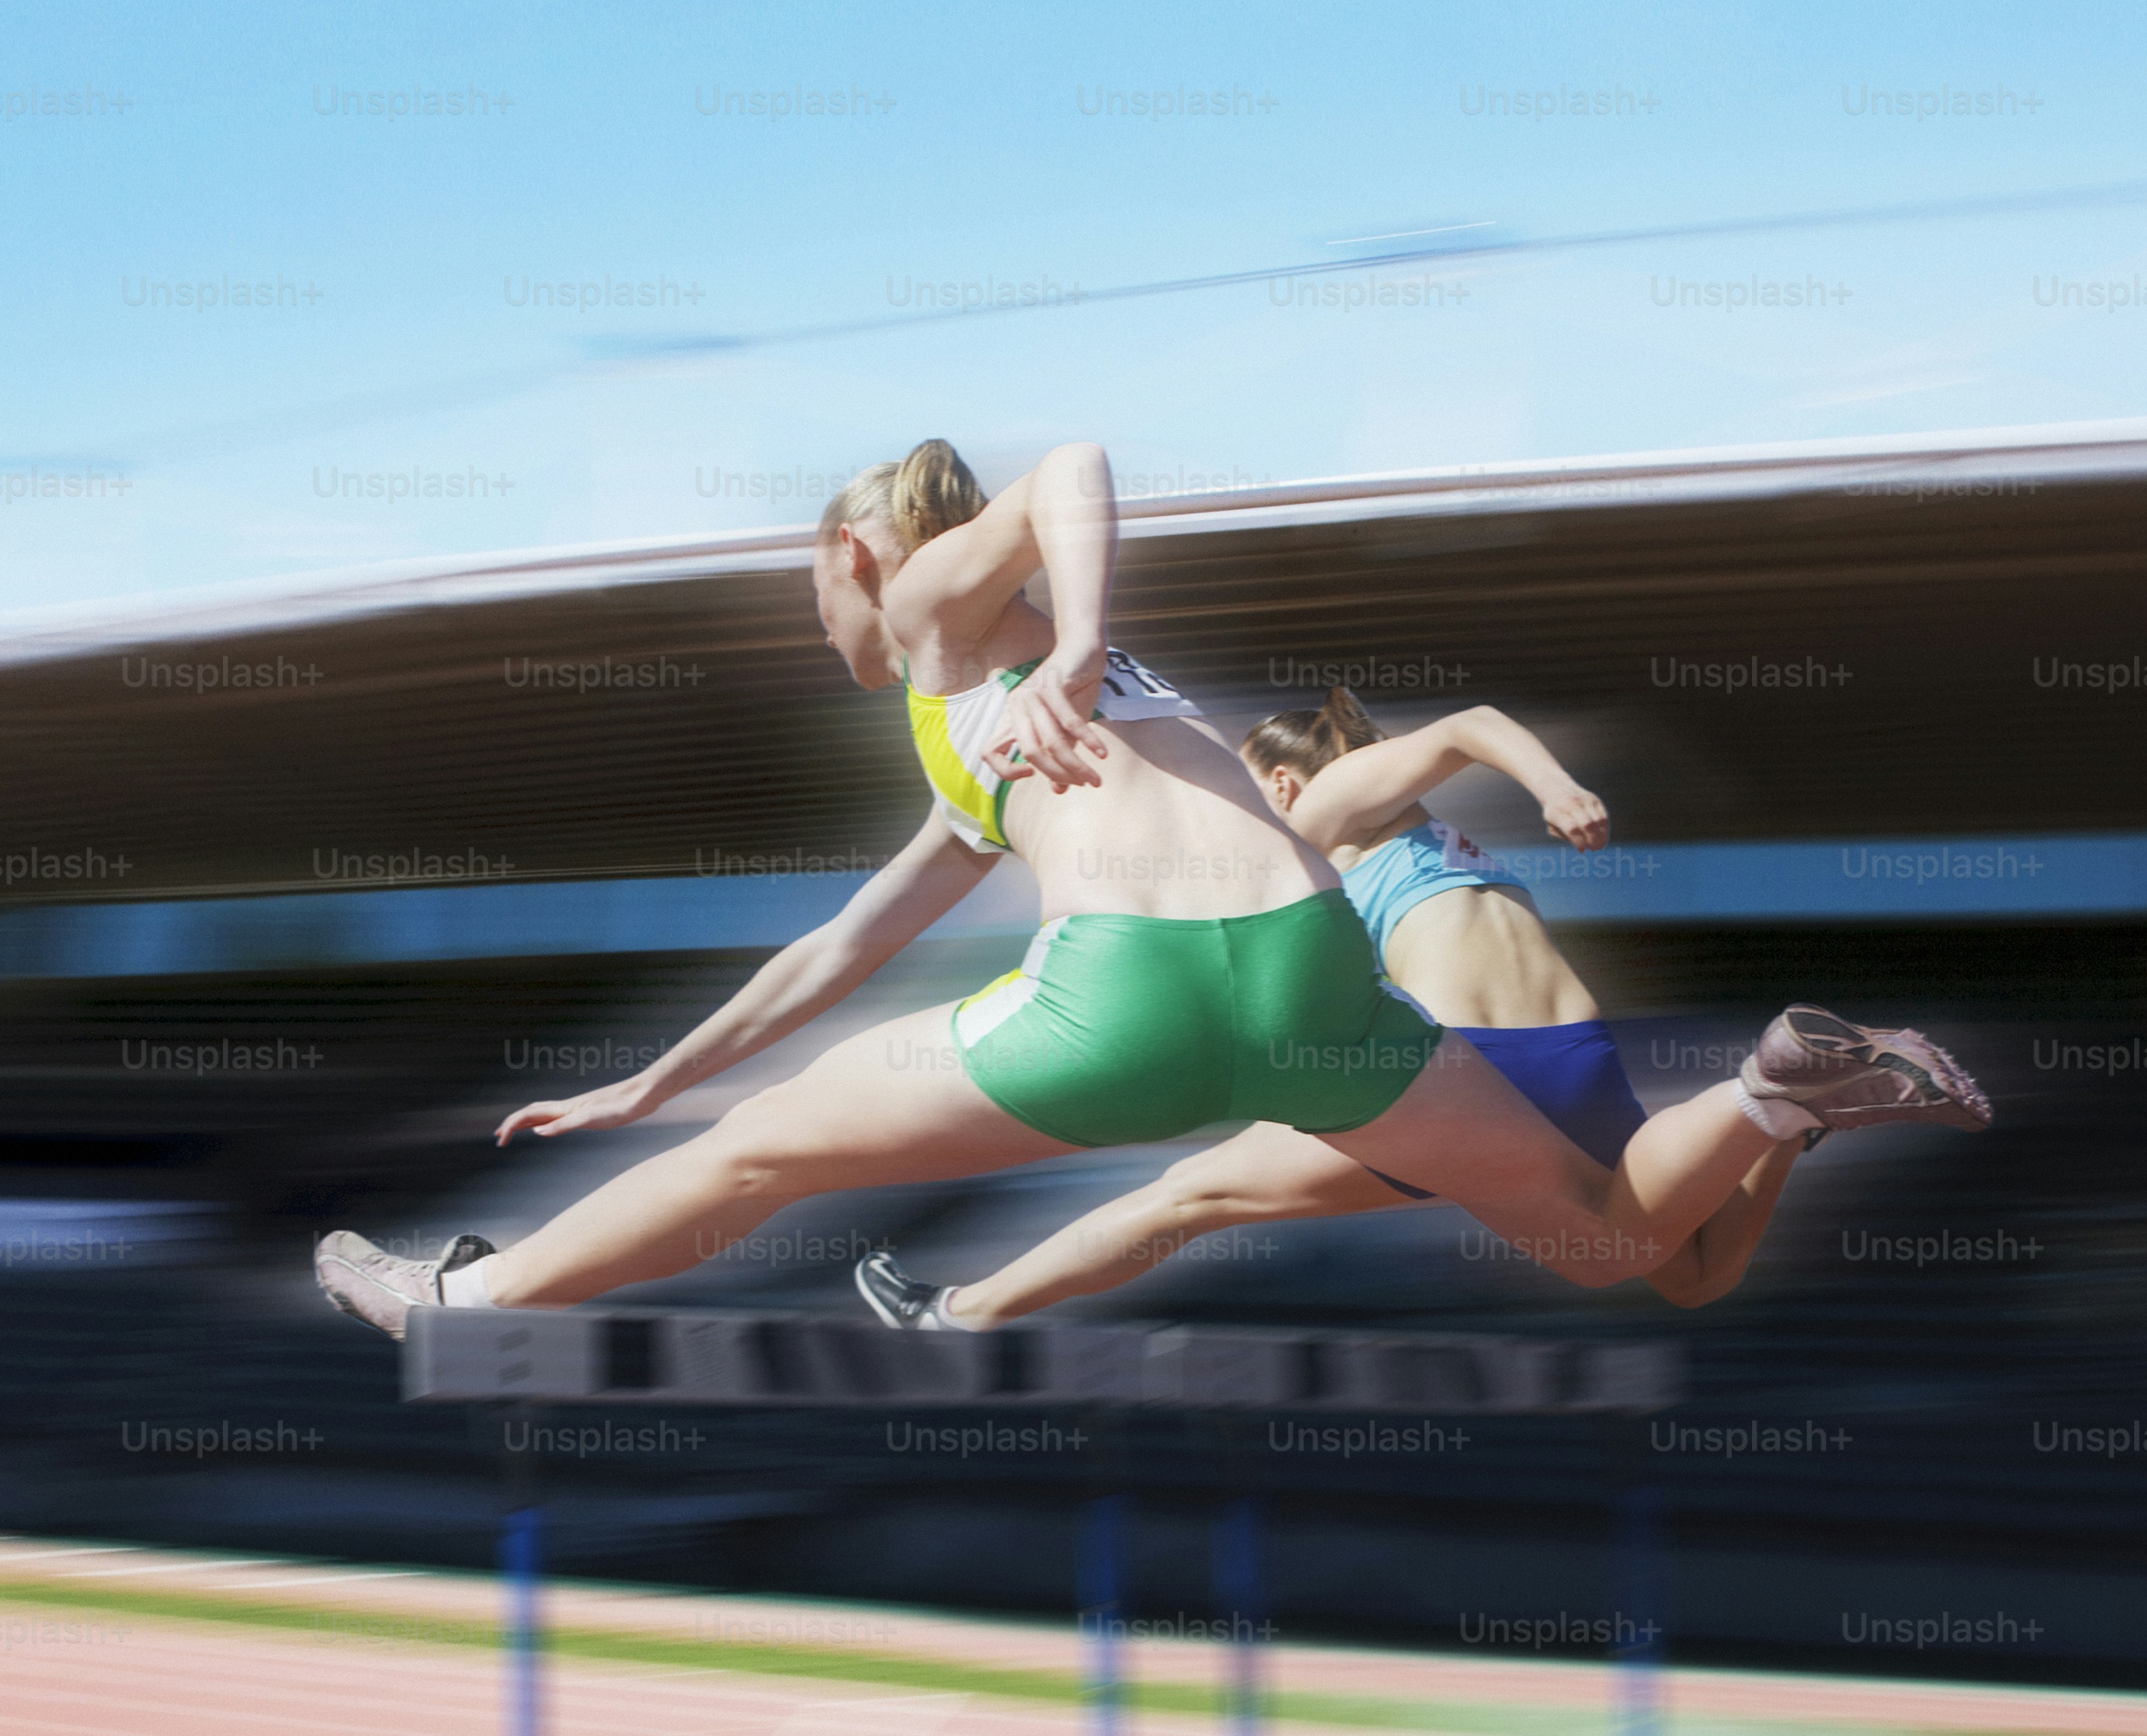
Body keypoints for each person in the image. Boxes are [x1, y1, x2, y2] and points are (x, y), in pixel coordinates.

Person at [314, 439, 1986, 1338]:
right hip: (1317, 991)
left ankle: (452, 1298)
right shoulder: (993, 753)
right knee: (1619, 1248)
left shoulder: (937, 629)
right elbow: (843, 941)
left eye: (809, 588)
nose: (821, 620)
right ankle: (1774, 1101)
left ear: (848, 561)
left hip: (1126, 995)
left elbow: (1064, 465)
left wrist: (1086, 624)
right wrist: (651, 1077)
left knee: (757, 1157)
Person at [854, 689, 1809, 1328]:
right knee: (1685, 1274)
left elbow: (1468, 721)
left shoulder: (1327, 805)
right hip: (1571, 1055)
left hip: (1471, 1072)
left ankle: (957, 1312)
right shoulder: (1442, 845)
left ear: (1278, 782)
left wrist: (1559, 786)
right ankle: (1781, 1114)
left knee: (1185, 1197)